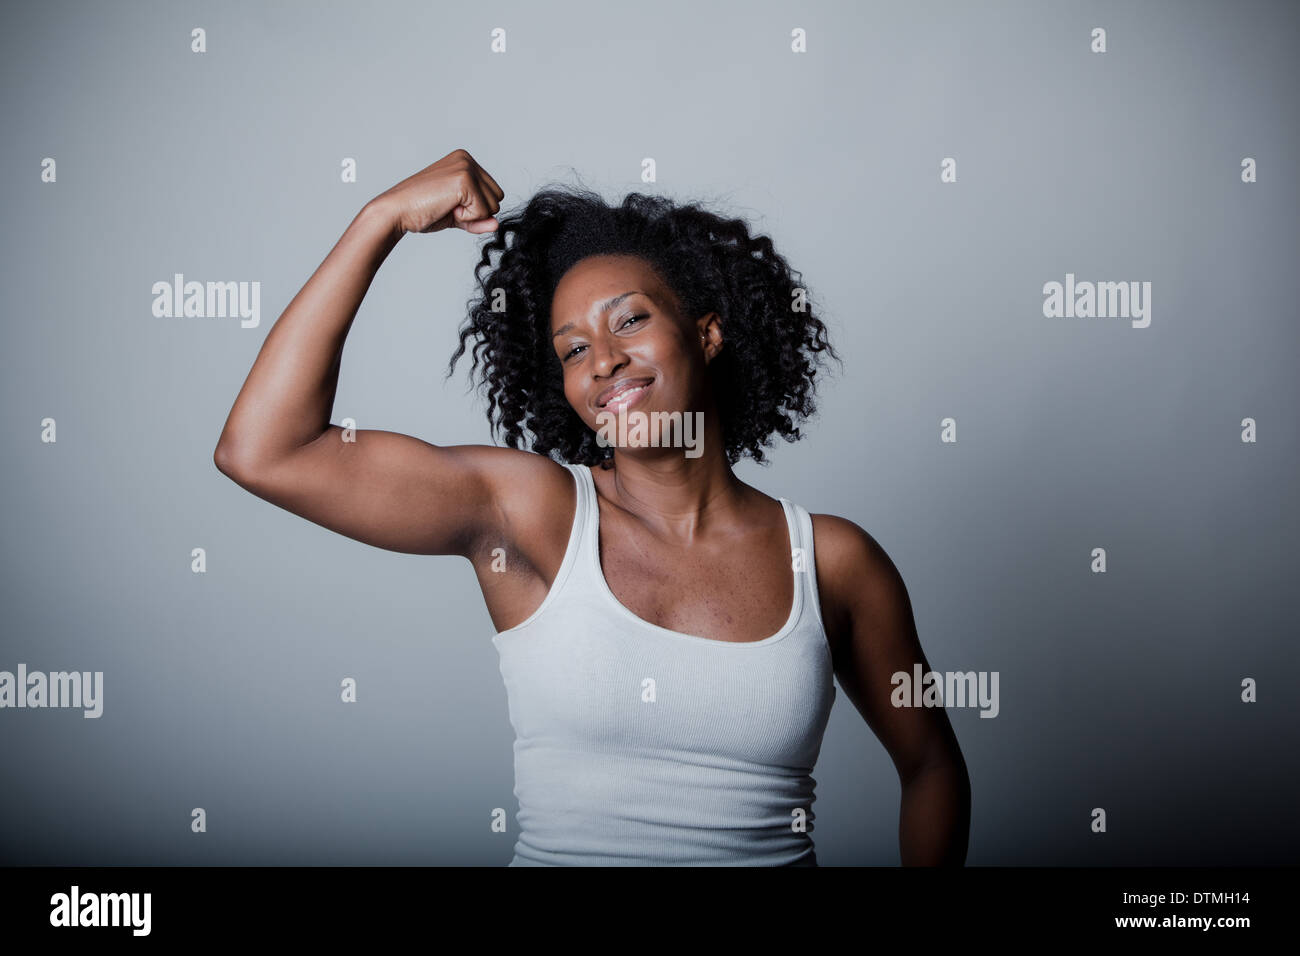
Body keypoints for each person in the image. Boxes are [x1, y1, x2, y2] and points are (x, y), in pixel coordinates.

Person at [213, 148, 970, 866]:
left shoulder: (833, 561)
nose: (602, 360)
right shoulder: (531, 516)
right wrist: (379, 219)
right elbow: (265, 451)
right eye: (573, 350)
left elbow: (931, 763)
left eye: (630, 320)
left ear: (706, 334)